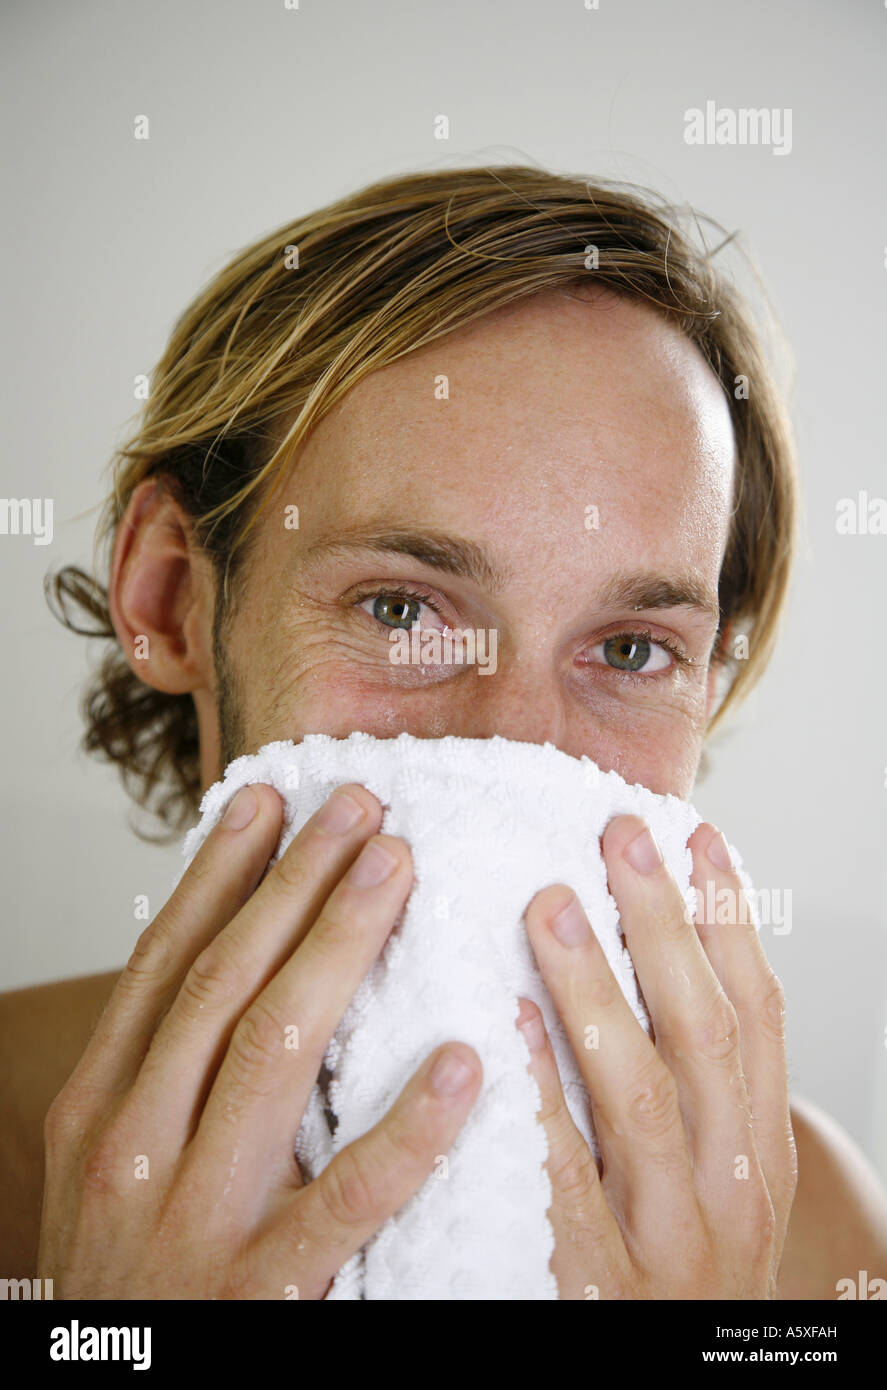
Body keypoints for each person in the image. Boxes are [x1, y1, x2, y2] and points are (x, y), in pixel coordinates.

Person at [3, 166, 886, 1299]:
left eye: (626, 650)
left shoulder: (803, 1243)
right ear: (171, 595)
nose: (514, 746)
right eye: (401, 609)